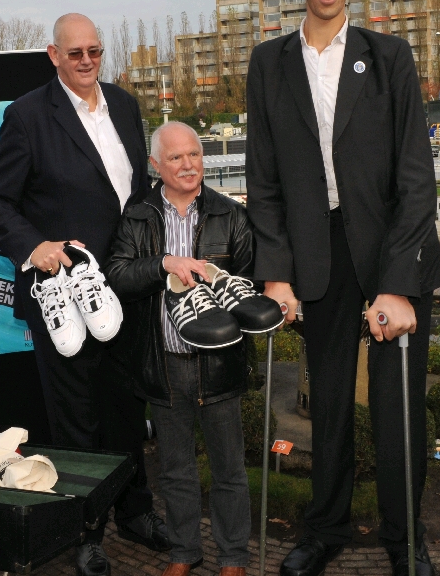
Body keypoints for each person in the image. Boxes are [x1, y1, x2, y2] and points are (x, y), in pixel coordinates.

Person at [245, 0, 440, 576]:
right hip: (315, 256)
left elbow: (415, 176)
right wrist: (275, 274)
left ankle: (403, 538)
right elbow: (263, 180)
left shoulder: (389, 58)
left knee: (396, 413)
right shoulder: (268, 62)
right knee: (327, 406)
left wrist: (398, 283)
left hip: (389, 250)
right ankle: (323, 530)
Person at [0, 13, 170, 576]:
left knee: (128, 417)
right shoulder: (29, 115)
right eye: (75, 53)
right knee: (77, 423)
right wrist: (34, 246)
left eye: (95, 51)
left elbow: (134, 196)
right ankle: (86, 532)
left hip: (124, 294)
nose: (87, 61)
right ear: (53, 55)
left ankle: (135, 512)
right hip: (64, 299)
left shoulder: (125, 106)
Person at [106, 121, 252, 576]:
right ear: (155, 165)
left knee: (229, 471)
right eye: (176, 157)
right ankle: (184, 553)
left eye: (194, 154)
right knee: (175, 472)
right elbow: (117, 276)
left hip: (219, 363)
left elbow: (251, 284)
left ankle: (232, 559)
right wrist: (163, 264)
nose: (189, 164)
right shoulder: (137, 215)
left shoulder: (230, 214)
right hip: (163, 365)